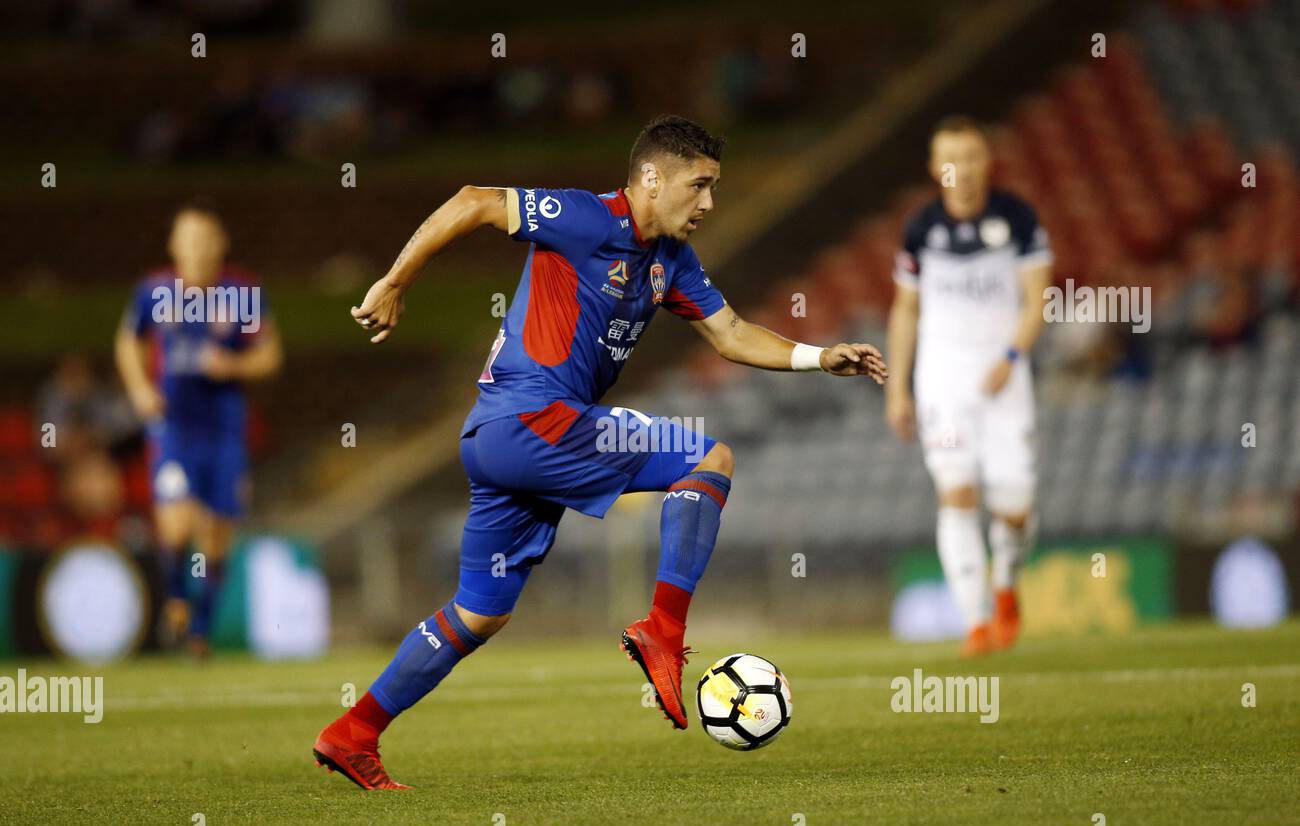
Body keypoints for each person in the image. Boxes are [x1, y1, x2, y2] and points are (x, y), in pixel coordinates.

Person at [314, 114, 887, 789]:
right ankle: (662, 633)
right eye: (698, 185)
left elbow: (731, 334)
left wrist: (822, 357)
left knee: (482, 610)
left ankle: (354, 732)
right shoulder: (585, 218)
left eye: (714, 189)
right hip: (534, 418)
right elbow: (474, 200)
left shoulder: (671, 260)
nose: (708, 203)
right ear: (651, 178)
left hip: (502, 439)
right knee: (710, 458)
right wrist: (396, 280)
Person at [885, 116, 1052, 658]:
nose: (963, 168)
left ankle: (1006, 582)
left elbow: (1037, 300)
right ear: (937, 169)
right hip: (942, 382)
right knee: (957, 493)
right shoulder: (920, 229)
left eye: (973, 155)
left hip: (1005, 377)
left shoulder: (1018, 218)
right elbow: (905, 309)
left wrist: (1011, 355)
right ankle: (976, 622)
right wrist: (898, 389)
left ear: (987, 162)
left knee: (1015, 506)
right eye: (951, 158)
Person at [115, 202, 283, 658]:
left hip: (225, 429)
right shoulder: (154, 291)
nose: (198, 247)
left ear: (221, 244)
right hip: (173, 427)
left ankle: (199, 631)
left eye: (206, 238)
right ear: (174, 245)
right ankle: (175, 600)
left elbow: (269, 356)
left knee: (216, 532)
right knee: (176, 521)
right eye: (189, 238)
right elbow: (128, 340)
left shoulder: (242, 292)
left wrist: (233, 364)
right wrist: (139, 390)